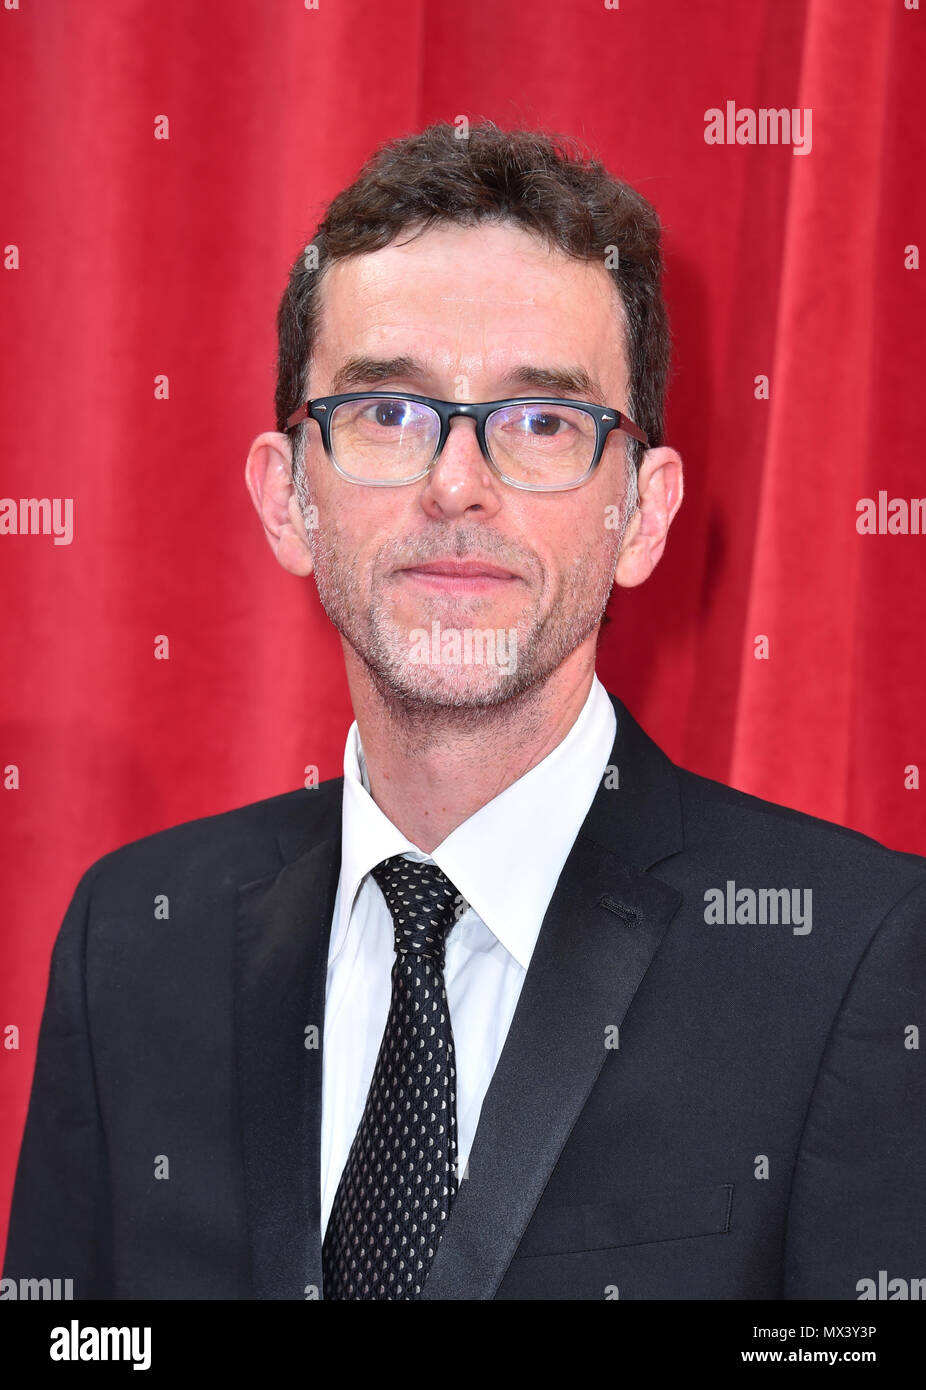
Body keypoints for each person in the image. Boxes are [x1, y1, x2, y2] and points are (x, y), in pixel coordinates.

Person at [5, 122, 925, 1302]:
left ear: (639, 517)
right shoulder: (131, 943)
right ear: (288, 499)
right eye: (388, 412)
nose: (456, 482)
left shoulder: (846, 957)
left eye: (541, 422)